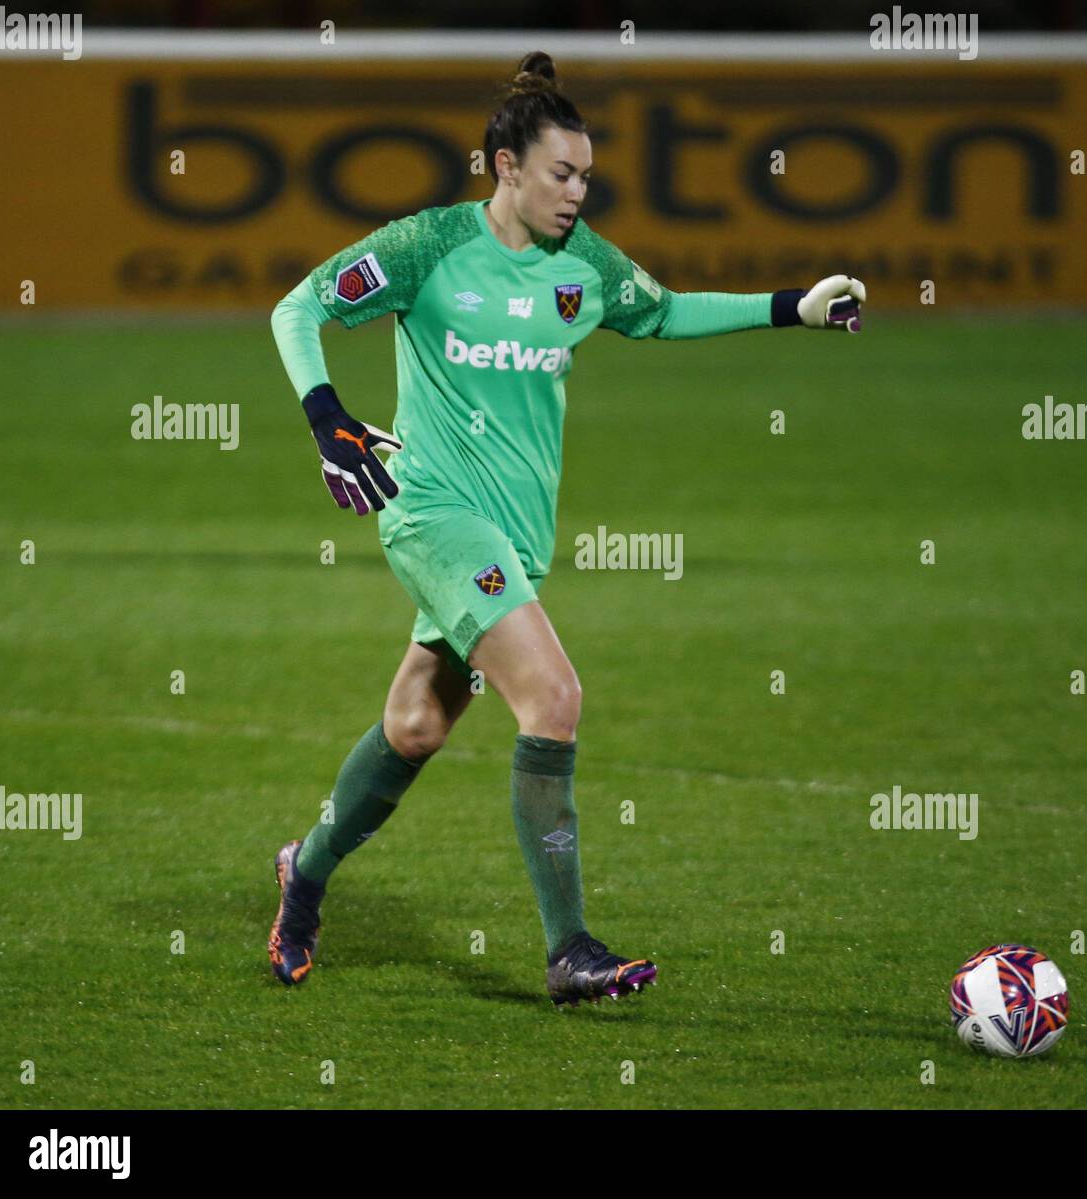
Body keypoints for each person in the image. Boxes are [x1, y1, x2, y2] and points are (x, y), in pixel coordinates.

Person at [266, 49, 866, 1007]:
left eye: (586, 175)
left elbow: (664, 312)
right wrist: (326, 417)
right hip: (433, 518)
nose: (578, 192)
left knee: (415, 727)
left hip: (513, 541)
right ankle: (569, 949)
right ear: (505, 167)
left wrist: (792, 306)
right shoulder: (425, 249)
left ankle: (308, 871)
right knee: (553, 700)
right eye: (562, 173)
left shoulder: (579, 265)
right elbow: (297, 308)